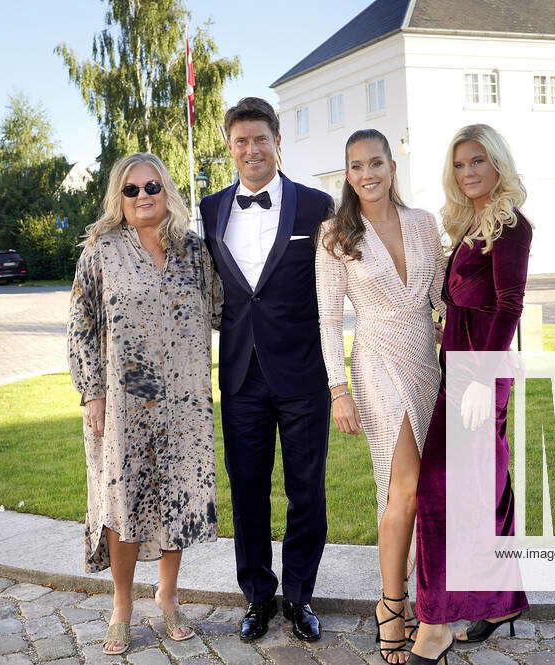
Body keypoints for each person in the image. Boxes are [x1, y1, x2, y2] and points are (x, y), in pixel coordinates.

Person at [67, 152, 222, 655]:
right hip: (124, 404)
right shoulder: (101, 251)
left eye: (151, 186)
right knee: (124, 503)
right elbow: (82, 327)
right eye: (131, 190)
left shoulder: (195, 252)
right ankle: (121, 605)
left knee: (176, 499)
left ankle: (169, 597)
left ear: (166, 191)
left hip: (185, 401)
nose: (142, 197)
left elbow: (226, 310)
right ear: (119, 197)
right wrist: (92, 393)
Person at [199, 97, 334, 642]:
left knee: (308, 489)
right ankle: (257, 594)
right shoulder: (209, 211)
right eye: (240, 141)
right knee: (248, 490)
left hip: (304, 373)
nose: (251, 150)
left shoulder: (316, 206)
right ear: (229, 147)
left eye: (260, 139)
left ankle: (299, 596)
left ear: (279, 142)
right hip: (239, 377)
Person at [316, 129, 446, 663]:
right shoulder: (335, 235)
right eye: (355, 166)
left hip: (424, 363)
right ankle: (393, 606)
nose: (366, 173)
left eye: (375, 162)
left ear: (392, 166)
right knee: (406, 486)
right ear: (346, 174)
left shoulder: (423, 223)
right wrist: (337, 389)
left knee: (416, 490)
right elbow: (327, 320)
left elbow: (441, 296)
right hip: (374, 364)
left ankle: (405, 597)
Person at [409, 124, 533, 665]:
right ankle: (501, 601)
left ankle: (433, 622)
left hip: (479, 375)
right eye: (460, 165)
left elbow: (508, 306)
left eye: (478, 161)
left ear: (498, 163)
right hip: (462, 366)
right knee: (485, 487)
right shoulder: (473, 224)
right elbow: (466, 298)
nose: (469, 172)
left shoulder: (511, 227)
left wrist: (481, 377)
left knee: (435, 492)